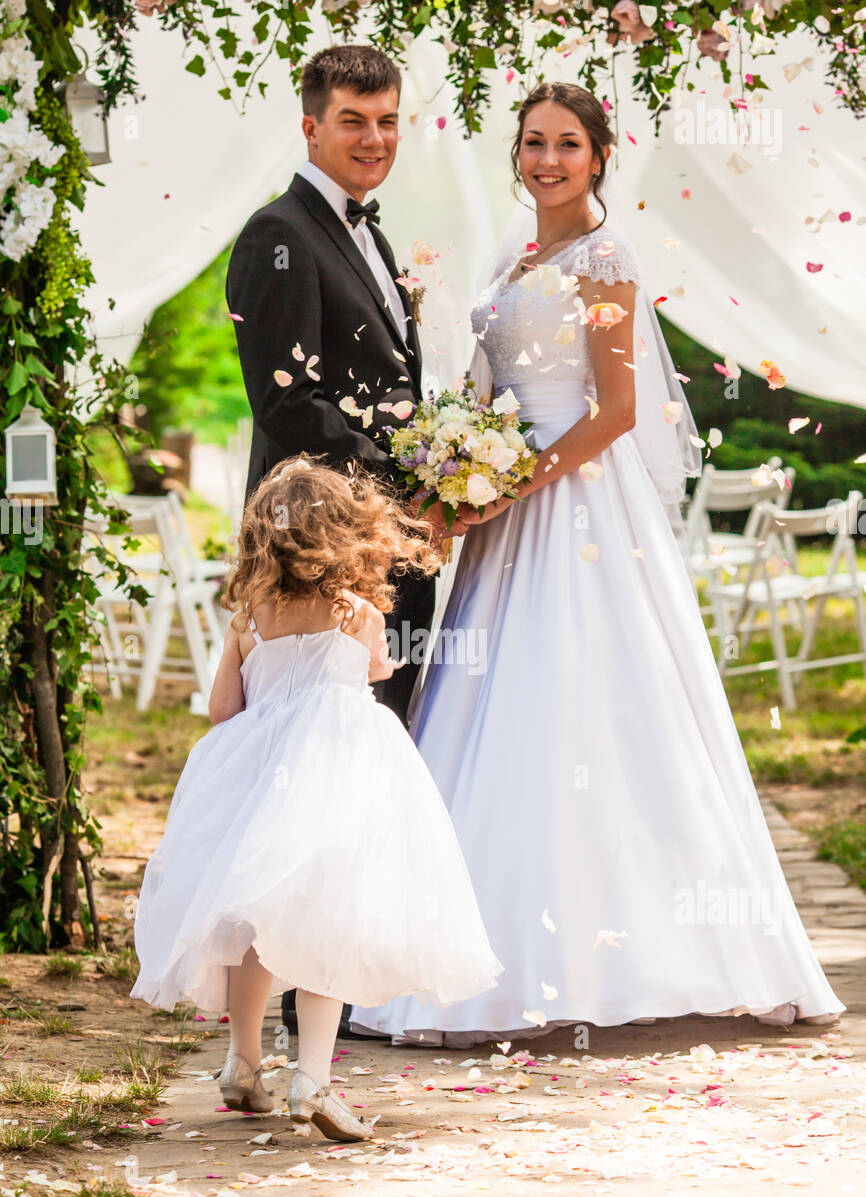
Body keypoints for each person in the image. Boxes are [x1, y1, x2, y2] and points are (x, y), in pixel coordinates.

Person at [349, 82, 844, 1047]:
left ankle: (635, 954)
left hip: (574, 508)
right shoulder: (512, 255)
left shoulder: (606, 258)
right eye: (533, 143)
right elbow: (486, 383)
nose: (546, 160)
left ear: (599, 158)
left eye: (567, 144)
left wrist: (511, 481)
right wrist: (456, 474)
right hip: (502, 509)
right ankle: (478, 951)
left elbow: (615, 411)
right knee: (497, 706)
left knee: (592, 701)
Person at [130, 459, 503, 1138]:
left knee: (253, 926)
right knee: (330, 917)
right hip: (338, 772)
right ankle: (313, 1080)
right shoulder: (355, 612)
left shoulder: (251, 615)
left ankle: (242, 1065)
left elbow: (222, 708)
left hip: (257, 776)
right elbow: (374, 674)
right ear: (346, 535)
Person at [227, 42, 442, 1035]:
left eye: (388, 120)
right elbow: (293, 402)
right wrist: (408, 485)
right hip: (322, 555)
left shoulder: (366, 235)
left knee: (366, 767)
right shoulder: (276, 234)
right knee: (309, 786)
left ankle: (334, 991)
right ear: (309, 124)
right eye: (353, 120)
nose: (374, 139)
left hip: (379, 542)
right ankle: (294, 1011)